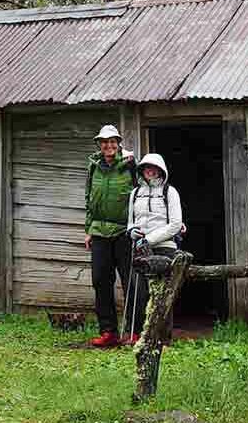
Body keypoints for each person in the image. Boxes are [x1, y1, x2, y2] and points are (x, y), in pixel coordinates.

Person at [122, 153, 183, 344]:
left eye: (154, 167)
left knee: (163, 294)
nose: (150, 170)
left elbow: (175, 224)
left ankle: (162, 339)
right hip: (140, 247)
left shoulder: (169, 192)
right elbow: (130, 222)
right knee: (140, 292)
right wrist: (132, 231)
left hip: (165, 247)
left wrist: (149, 239)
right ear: (141, 170)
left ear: (161, 170)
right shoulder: (135, 193)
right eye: (146, 167)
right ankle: (140, 336)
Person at [84, 124, 136, 348]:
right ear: (99, 144)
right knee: (100, 281)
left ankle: (134, 332)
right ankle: (108, 332)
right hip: (98, 233)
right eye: (104, 142)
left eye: (112, 141)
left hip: (124, 232)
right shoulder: (93, 167)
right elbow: (89, 199)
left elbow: (140, 196)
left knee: (130, 281)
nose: (108, 145)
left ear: (118, 143)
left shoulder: (130, 165)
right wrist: (88, 229)